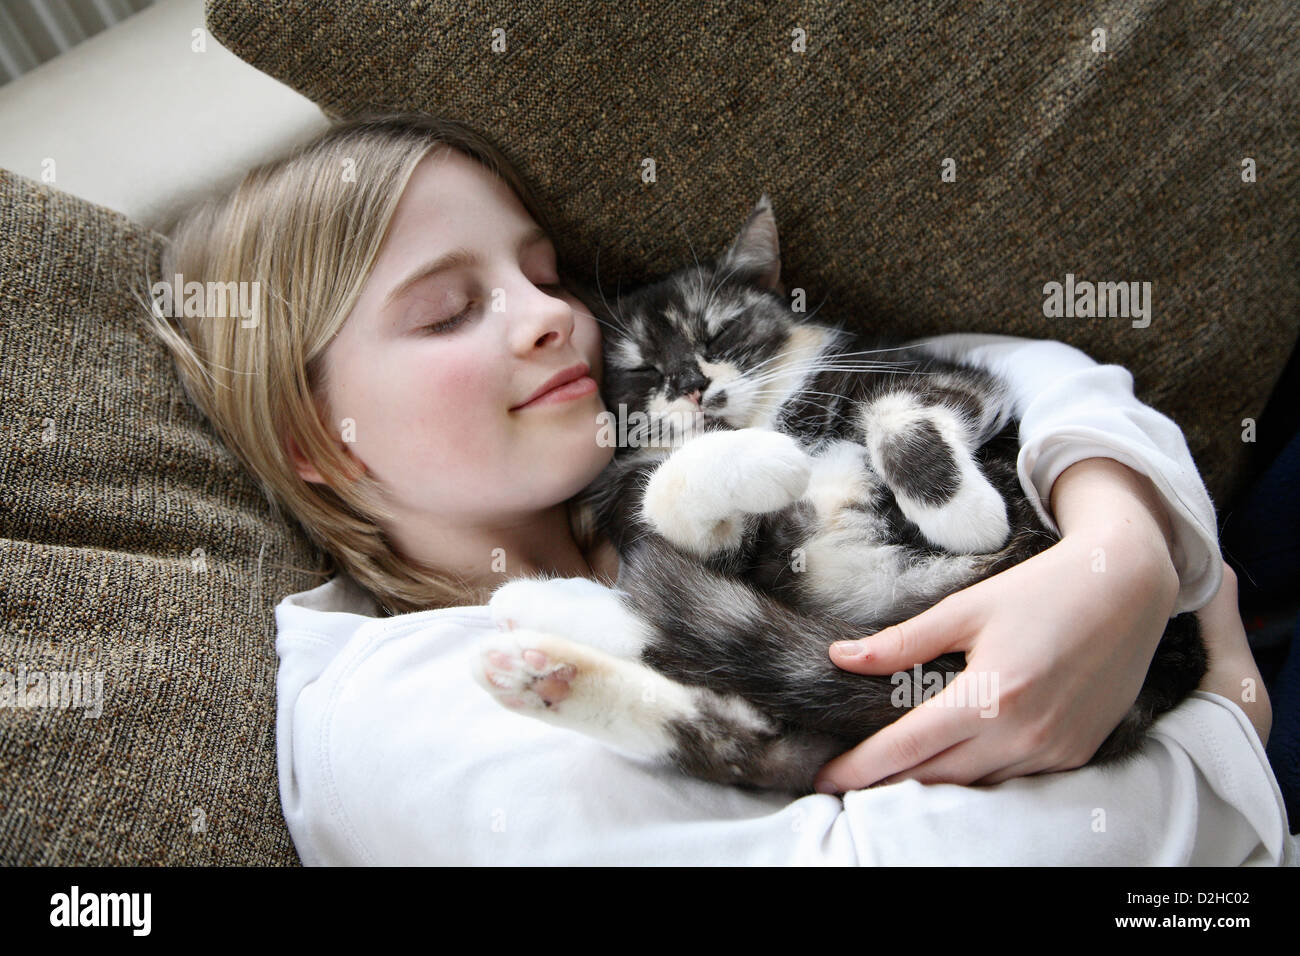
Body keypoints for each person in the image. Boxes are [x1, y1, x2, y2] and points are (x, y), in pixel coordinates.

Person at [143, 113, 1293, 865]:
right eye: (449, 309)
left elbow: (1024, 372)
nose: (557, 316)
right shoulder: (406, 714)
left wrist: (1121, 545)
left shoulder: (633, 460)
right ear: (315, 436)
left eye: (541, 274)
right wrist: (1225, 724)